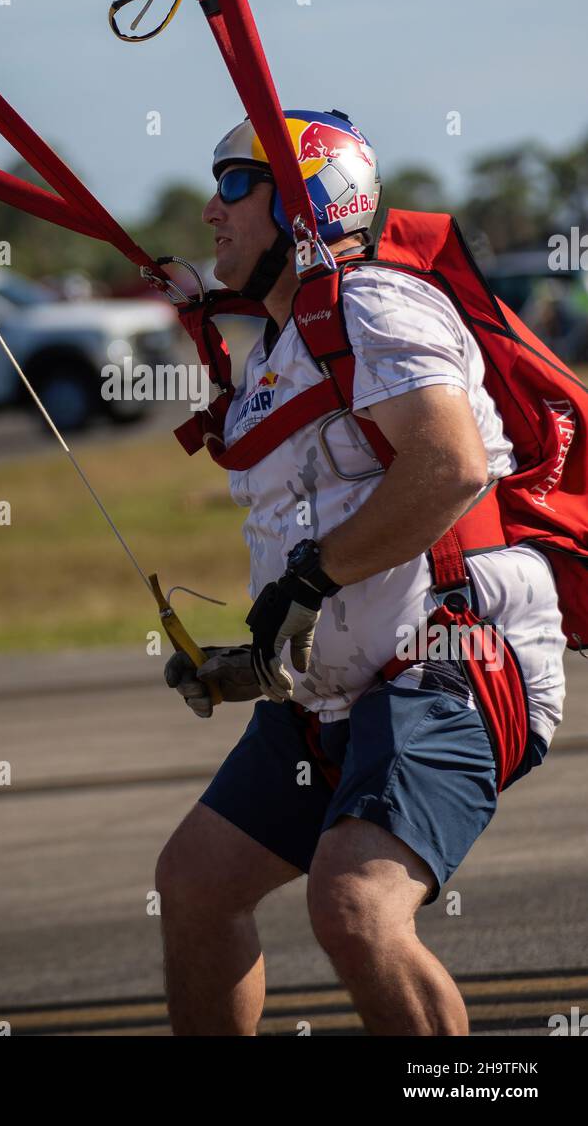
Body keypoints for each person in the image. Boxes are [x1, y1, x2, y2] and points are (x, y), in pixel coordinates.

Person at [158, 109, 567, 1037]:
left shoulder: (370, 304)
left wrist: (306, 586)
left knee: (354, 906)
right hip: (341, 691)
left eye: (233, 183)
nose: (211, 209)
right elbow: (331, 538)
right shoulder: (275, 352)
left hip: (454, 660)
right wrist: (260, 657)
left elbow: (449, 466)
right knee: (193, 886)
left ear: (305, 199)